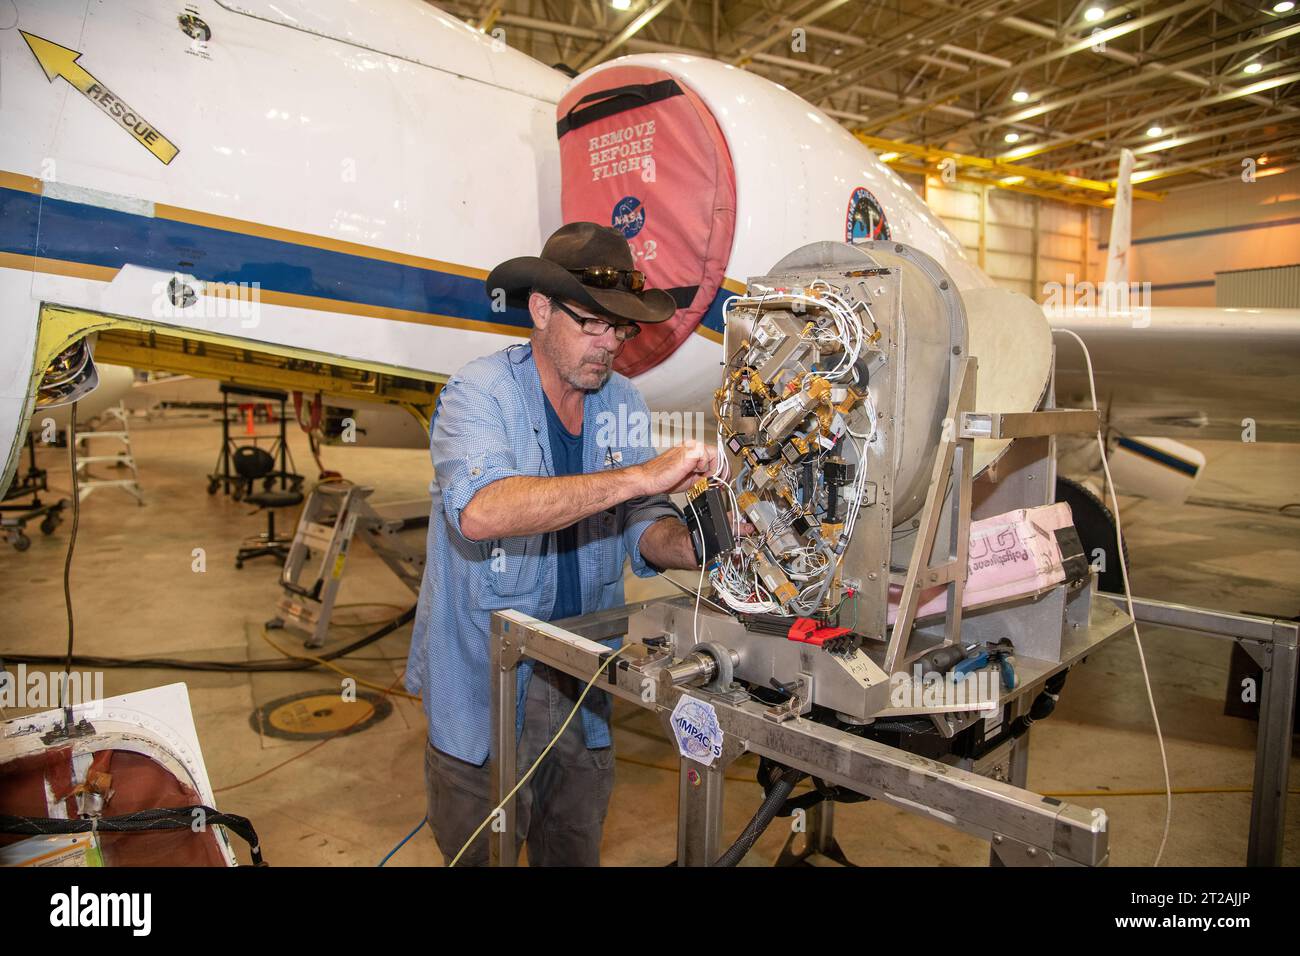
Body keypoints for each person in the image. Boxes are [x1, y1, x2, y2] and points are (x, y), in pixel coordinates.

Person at [405, 221, 717, 866]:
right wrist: (639, 474)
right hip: (488, 680)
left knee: (573, 845)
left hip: (583, 675)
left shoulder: (621, 399)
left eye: (621, 329)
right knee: (479, 851)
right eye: (593, 324)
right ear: (541, 309)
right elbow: (482, 512)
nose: (610, 346)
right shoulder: (480, 392)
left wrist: (705, 542)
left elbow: (642, 525)